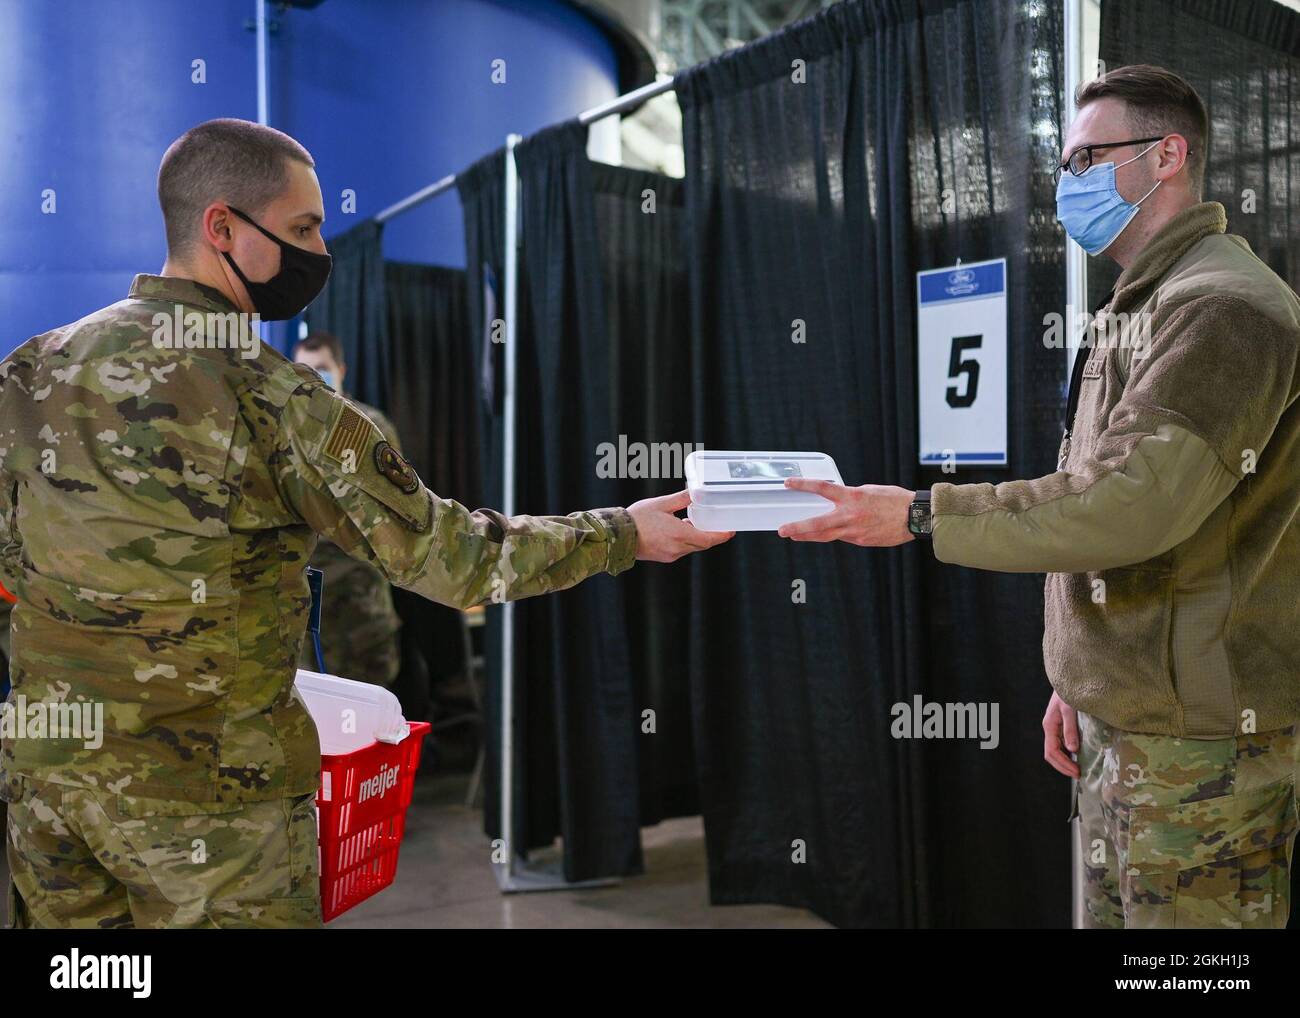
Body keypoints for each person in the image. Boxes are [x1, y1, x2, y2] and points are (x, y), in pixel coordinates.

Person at [0, 117, 731, 929]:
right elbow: (455, 560)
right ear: (221, 227)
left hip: (49, 788)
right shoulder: (277, 401)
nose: (320, 252)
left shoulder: (34, 368)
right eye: (302, 229)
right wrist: (624, 533)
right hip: (208, 812)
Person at [777, 65, 1300, 929]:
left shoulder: (1223, 309)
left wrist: (919, 512)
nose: (1068, 183)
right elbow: (1103, 506)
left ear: (1168, 155)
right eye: (1064, 164)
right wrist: (1083, 678)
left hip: (1200, 745)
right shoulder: (1148, 301)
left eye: (1087, 158)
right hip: (1136, 719)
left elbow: (1130, 505)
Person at [292, 331, 404, 688]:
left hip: (357, 595)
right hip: (304, 596)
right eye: (305, 369)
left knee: (365, 698)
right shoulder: (291, 429)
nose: (315, 377)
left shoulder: (370, 426)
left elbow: (393, 509)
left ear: (341, 370)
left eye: (322, 368)